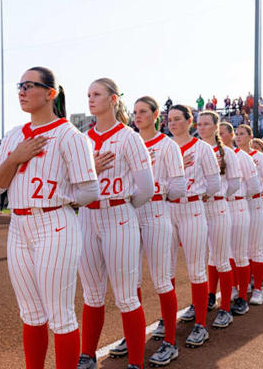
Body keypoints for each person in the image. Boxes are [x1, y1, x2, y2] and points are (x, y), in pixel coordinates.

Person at [0, 66, 99, 369]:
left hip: (55, 224)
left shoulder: (69, 135)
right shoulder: (13, 136)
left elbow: (88, 191)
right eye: (19, 85)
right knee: (30, 312)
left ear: (50, 93)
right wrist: (15, 157)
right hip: (19, 225)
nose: (21, 91)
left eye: (29, 85)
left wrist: (58, 197)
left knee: (60, 315)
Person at [77, 78, 153, 369]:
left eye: (96, 94)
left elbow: (146, 187)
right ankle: (87, 355)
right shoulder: (82, 139)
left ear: (113, 99)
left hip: (118, 215)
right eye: (88, 94)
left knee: (125, 296)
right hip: (87, 216)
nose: (90, 99)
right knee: (92, 294)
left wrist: (122, 207)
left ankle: (136, 362)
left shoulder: (130, 138)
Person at [127, 96, 185, 366]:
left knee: (162, 279)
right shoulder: (128, 141)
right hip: (128, 213)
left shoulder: (167, 146)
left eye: (143, 112)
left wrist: (158, 194)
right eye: (134, 112)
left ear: (155, 115)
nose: (137, 116)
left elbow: (178, 186)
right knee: (131, 280)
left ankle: (170, 341)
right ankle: (133, 335)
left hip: (156, 212)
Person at [166, 104, 219, 348]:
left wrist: (198, 195)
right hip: (167, 209)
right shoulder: (164, 147)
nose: (173, 123)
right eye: (170, 119)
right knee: (165, 272)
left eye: (178, 119)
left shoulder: (203, 148)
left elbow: (214, 184)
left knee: (197, 269)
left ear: (189, 121)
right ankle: (166, 322)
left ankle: (200, 323)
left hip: (192, 208)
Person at [196, 111, 239, 330]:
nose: (201, 127)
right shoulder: (195, 150)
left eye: (206, 124)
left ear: (215, 127)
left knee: (221, 259)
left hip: (218, 208)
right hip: (196, 210)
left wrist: (218, 193)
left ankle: (225, 309)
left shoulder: (227, 153)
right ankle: (205, 300)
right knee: (200, 262)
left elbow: (235, 184)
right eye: (199, 124)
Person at [219, 121, 261, 315]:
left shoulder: (241, 156)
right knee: (223, 254)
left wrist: (240, 195)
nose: (219, 135)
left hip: (237, 204)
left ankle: (243, 296)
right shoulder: (211, 153)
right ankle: (232, 288)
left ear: (229, 135)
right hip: (219, 206)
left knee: (240, 252)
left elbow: (254, 186)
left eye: (222, 132)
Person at [234, 127, 263, 305]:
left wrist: (254, 191)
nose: (238, 137)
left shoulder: (260, 158)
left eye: (242, 133)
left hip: (256, 204)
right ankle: (239, 286)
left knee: (257, 248)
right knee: (237, 249)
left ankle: (259, 288)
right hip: (237, 205)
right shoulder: (232, 155)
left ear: (251, 137)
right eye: (237, 134)